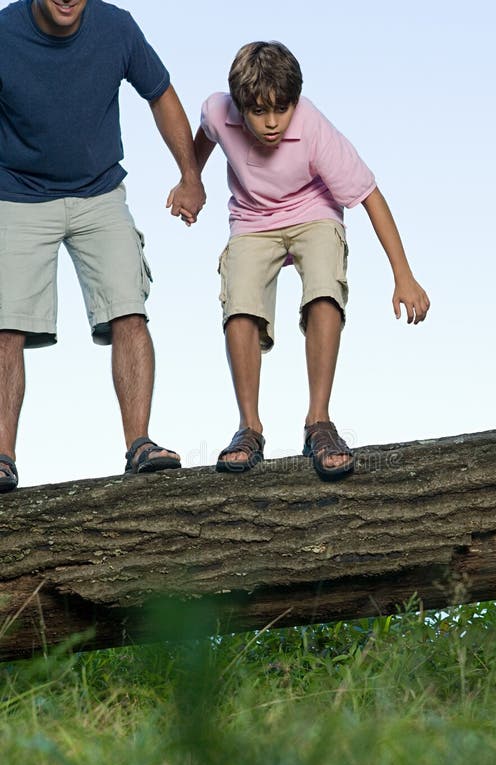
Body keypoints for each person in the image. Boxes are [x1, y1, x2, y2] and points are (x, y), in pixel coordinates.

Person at [180, 40, 430, 480]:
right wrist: (190, 179)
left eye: (282, 109)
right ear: (240, 107)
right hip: (253, 219)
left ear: (295, 102)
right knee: (239, 297)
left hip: (313, 212)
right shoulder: (220, 111)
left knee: (323, 288)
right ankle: (249, 428)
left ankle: (319, 422)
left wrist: (403, 276)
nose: (272, 123)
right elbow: (206, 133)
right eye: (259, 112)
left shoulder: (313, 128)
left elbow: (370, 196)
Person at [0, 0, 205, 493]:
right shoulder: (4, 33)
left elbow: (161, 93)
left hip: (100, 192)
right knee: (4, 327)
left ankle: (140, 445)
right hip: (18, 194)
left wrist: (190, 175)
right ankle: (2, 458)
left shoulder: (116, 27)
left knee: (129, 311)